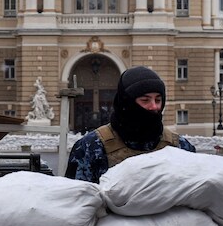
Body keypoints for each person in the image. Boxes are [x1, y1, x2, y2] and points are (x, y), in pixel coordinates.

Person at [66, 66, 195, 183]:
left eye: (158, 100)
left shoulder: (179, 146)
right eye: (145, 100)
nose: (154, 106)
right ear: (126, 103)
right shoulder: (90, 148)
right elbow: (76, 202)